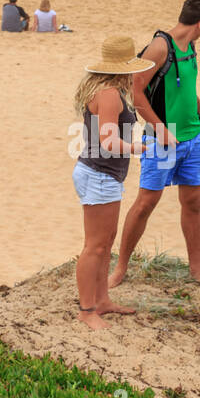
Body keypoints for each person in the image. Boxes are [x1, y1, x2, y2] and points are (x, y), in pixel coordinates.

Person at [109, 0, 200, 293]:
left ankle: (196, 268)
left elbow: (183, 87)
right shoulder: (160, 46)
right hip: (163, 138)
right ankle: (120, 268)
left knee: (193, 203)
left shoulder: (191, 45)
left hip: (193, 137)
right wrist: (160, 129)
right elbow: (135, 91)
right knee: (146, 203)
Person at [72, 36, 153, 330]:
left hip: (101, 173)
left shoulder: (105, 89)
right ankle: (86, 310)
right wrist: (140, 148)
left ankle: (102, 300)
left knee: (105, 244)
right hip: (99, 173)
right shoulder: (109, 94)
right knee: (95, 246)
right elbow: (108, 141)